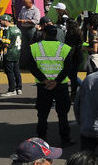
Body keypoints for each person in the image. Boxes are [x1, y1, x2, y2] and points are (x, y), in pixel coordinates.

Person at [29, 19, 77, 147]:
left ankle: (41, 140)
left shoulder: (35, 47)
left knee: (43, 115)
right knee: (62, 115)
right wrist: (56, 81)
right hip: (60, 85)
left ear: (44, 34)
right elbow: (68, 68)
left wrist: (45, 80)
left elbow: (31, 67)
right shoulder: (65, 48)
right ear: (56, 35)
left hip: (43, 85)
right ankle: (65, 139)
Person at [0, 14, 24, 96]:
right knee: (16, 71)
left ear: (6, 21)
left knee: (10, 72)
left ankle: (12, 89)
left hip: (10, 53)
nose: (0, 22)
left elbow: (5, 44)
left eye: (1, 21)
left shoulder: (8, 30)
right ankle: (19, 88)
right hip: (17, 52)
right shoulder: (17, 29)